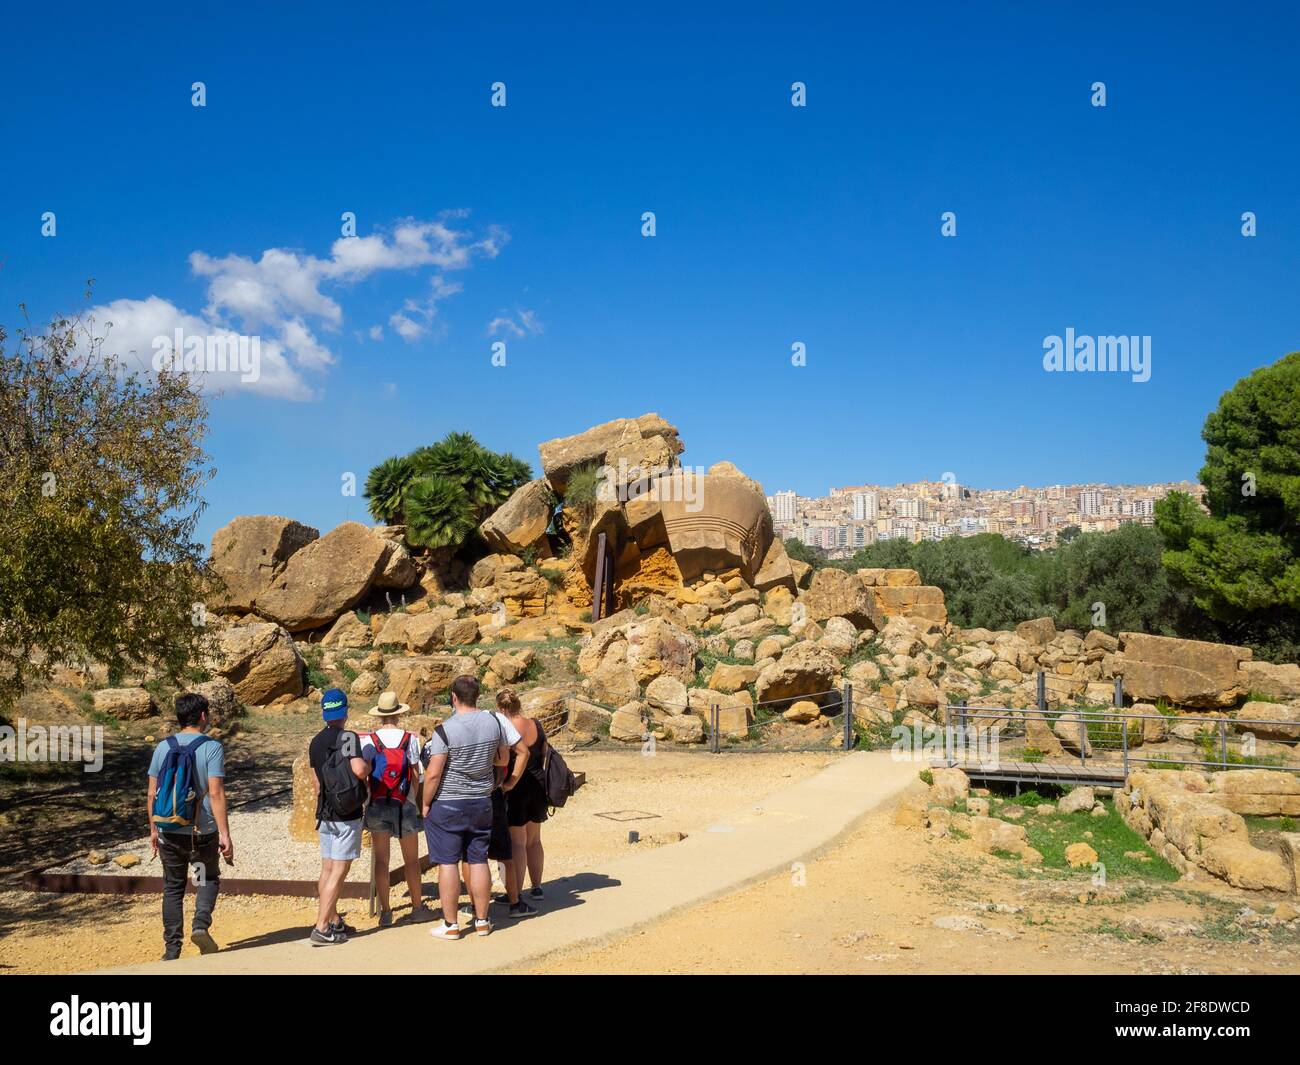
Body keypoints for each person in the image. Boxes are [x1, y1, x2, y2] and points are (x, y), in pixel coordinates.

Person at [421, 675, 529, 940]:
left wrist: (424, 803)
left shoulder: (444, 730)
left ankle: (451, 924)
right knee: (478, 859)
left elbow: (434, 774)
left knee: (448, 862)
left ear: (454, 698)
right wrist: (510, 782)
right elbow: (511, 754)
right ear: (477, 696)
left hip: (449, 801)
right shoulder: (495, 721)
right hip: (482, 800)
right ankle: (482, 920)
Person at [147, 691, 232, 961]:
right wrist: (225, 835)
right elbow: (216, 793)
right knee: (205, 878)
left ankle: (172, 950)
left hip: (168, 830)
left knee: (173, 887)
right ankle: (200, 926)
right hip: (201, 831)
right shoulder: (211, 747)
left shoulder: (163, 747)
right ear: (203, 716)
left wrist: (152, 829)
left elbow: (152, 793)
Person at [360, 690, 429, 926]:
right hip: (404, 803)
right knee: (411, 860)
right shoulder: (409, 739)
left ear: (380, 715)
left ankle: (386, 912)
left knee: (382, 860)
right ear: (398, 714)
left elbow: (364, 772)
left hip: (377, 804)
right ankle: (418, 907)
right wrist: (412, 799)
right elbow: (415, 772)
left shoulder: (369, 740)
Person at [308, 688, 369, 945]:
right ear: (345, 711)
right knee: (339, 871)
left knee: (327, 868)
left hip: (326, 812)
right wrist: (369, 766)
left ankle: (332, 919)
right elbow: (358, 770)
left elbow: (316, 783)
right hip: (347, 813)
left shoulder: (316, 741)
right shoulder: (348, 738)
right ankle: (322, 927)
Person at [497, 689, 548, 911]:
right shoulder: (535, 724)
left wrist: (507, 784)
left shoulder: (506, 728)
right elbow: (544, 751)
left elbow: (503, 757)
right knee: (534, 840)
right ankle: (537, 887)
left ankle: (515, 893)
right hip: (537, 786)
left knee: (517, 841)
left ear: (501, 709)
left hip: (515, 786)